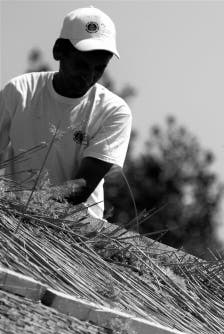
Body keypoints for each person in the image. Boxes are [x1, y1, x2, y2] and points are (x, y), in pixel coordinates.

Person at [0, 6, 132, 219]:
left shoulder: (114, 112)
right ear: (59, 51)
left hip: (77, 231)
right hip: (14, 217)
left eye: (99, 69)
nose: (89, 77)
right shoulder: (18, 92)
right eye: (81, 64)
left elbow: (81, 187)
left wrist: (20, 201)